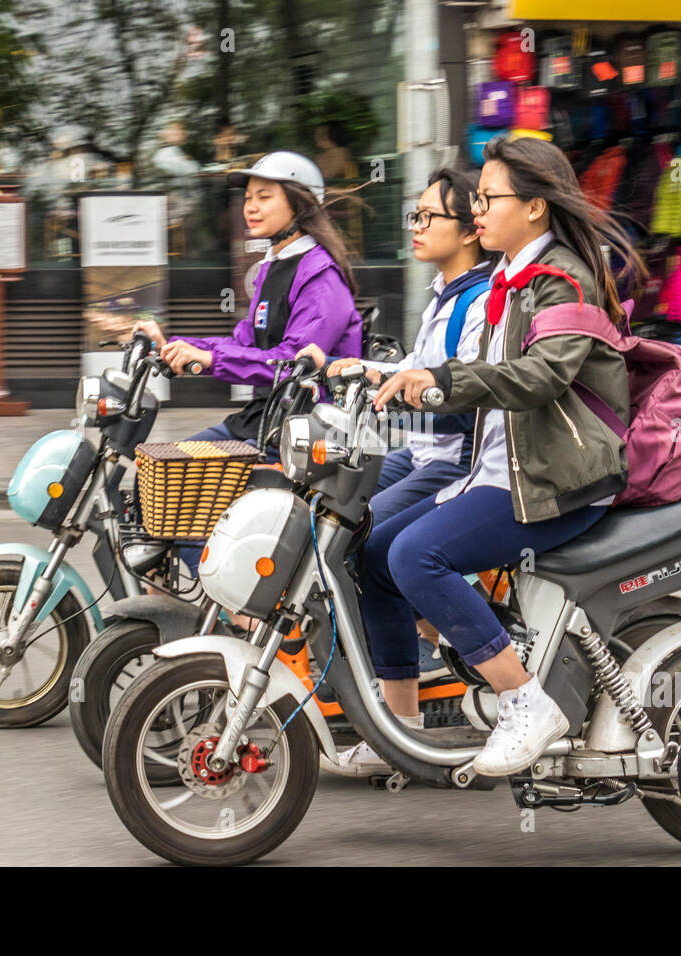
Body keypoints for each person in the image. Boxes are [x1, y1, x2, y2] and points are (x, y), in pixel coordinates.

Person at [350, 136, 646, 778]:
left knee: (413, 554)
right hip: (505, 468)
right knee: (375, 552)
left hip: (560, 479)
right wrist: (408, 376)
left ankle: (525, 702)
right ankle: (400, 735)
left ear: (535, 208)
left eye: (488, 199)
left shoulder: (561, 279)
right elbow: (488, 369)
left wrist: (440, 381)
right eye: (477, 199)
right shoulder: (509, 280)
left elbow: (540, 377)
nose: (476, 210)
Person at [133, 150, 362, 581]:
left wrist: (210, 358)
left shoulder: (321, 277)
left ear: (300, 204)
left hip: (301, 433)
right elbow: (243, 342)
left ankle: (246, 614)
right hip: (263, 421)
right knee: (155, 482)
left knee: (183, 496)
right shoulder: (272, 268)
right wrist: (176, 347)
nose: (250, 207)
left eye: (264, 196)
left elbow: (294, 364)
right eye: (248, 198)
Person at [298, 165, 492, 528]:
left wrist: (395, 403)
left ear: (469, 232)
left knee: (362, 531)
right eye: (415, 216)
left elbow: (466, 406)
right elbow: (415, 365)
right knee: (329, 503)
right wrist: (341, 363)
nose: (416, 226)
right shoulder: (443, 297)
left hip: (453, 462)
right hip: (421, 455)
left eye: (429, 216)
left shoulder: (479, 304)